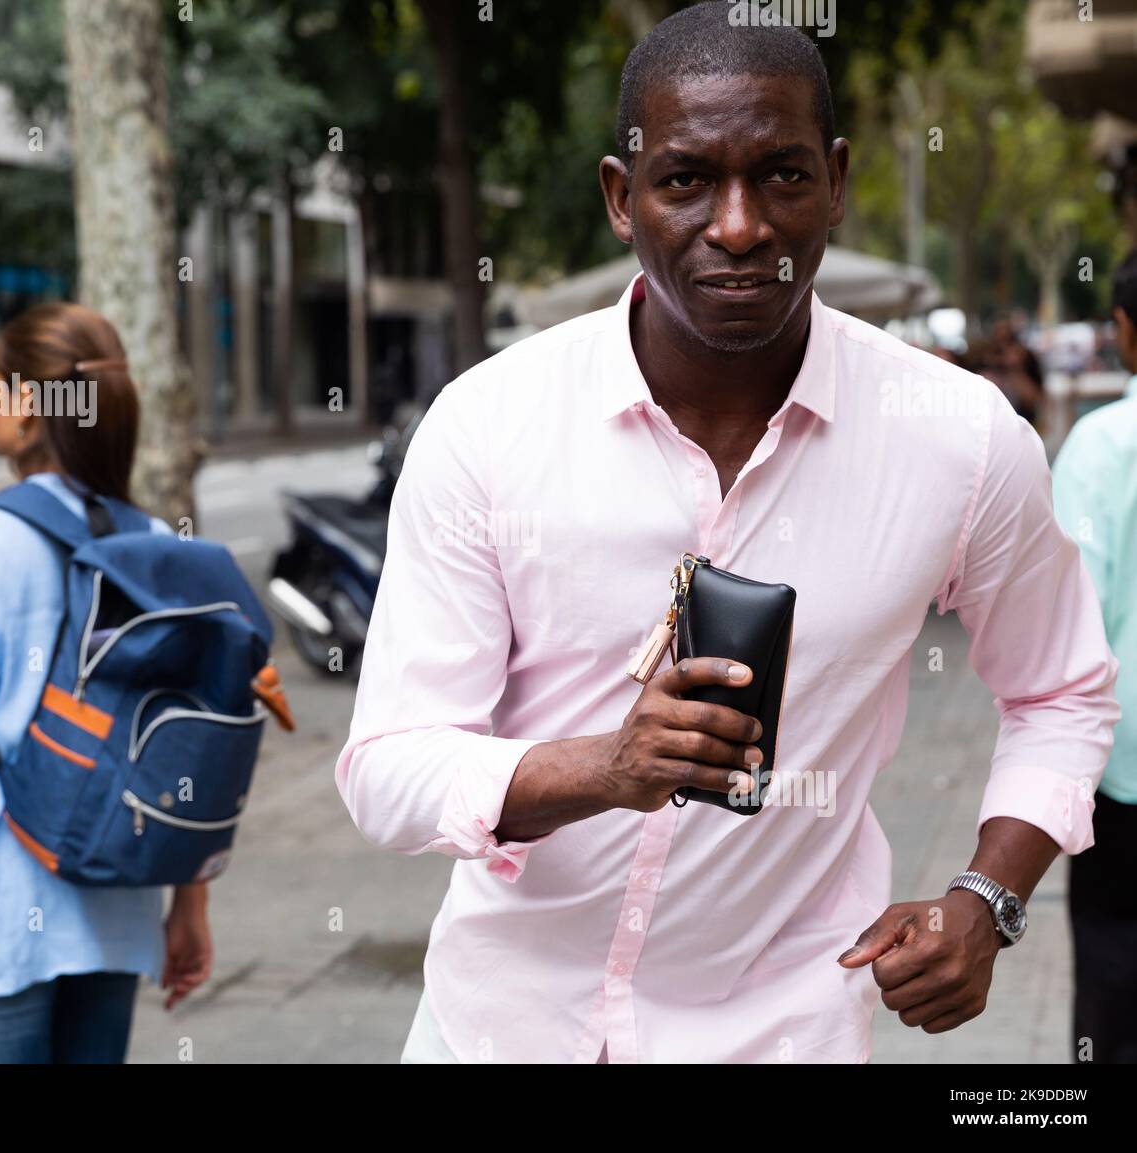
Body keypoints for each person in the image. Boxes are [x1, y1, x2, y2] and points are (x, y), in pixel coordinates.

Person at [335, 2, 1119, 1064]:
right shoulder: (489, 426)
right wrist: (602, 768)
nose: (739, 224)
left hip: (782, 1030)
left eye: (782, 176)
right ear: (623, 197)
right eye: (686, 178)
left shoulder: (961, 440)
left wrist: (988, 897)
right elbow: (387, 767)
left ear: (837, 182)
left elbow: (1059, 690)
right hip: (500, 1028)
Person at [0, 302, 212, 1063]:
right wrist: (190, 902)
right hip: (119, 898)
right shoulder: (154, 543)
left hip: (0, 895)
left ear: (28, 404)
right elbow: (182, 740)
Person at [1051, 249, 1137, 1064]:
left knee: (1114, 978)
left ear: (1123, 333)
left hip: (1122, 777)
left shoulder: (1104, 445)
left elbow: (1073, 630)